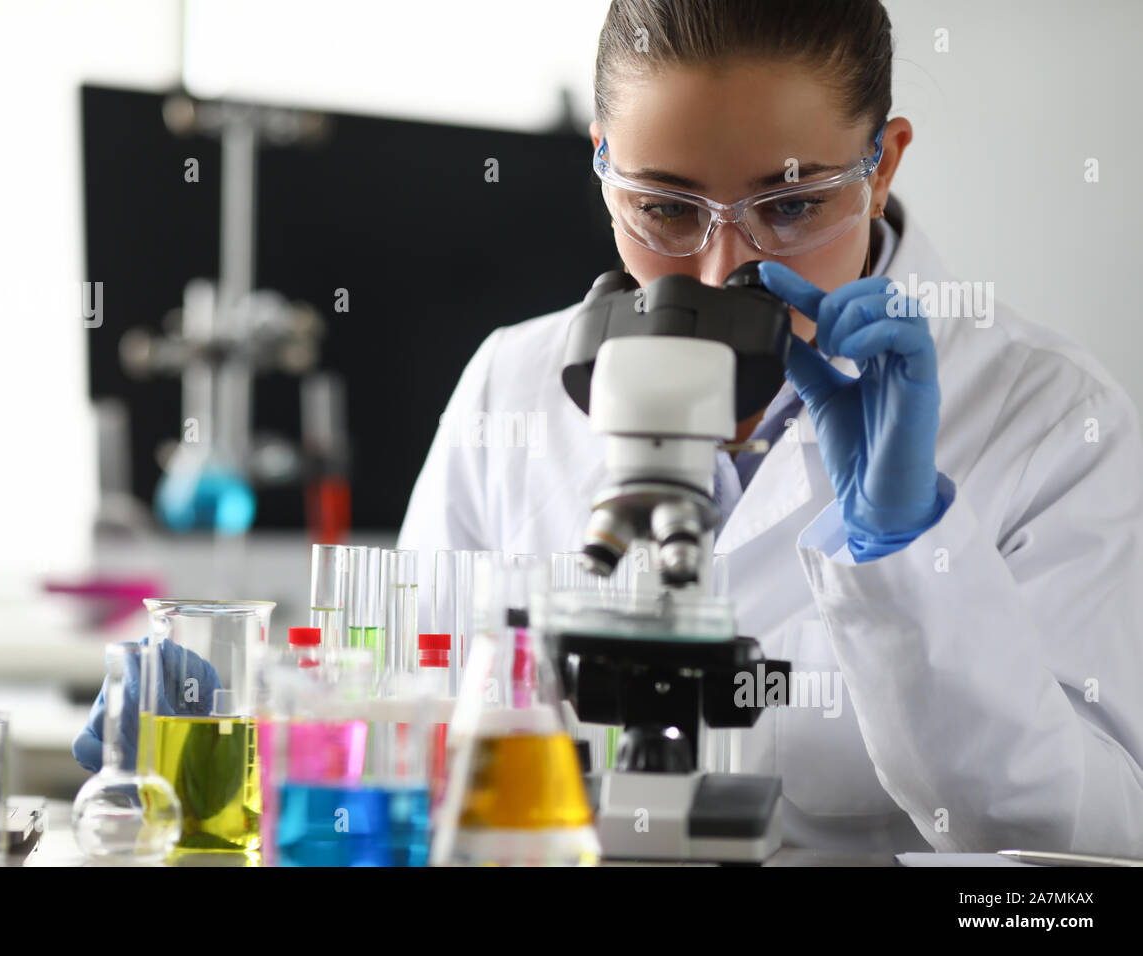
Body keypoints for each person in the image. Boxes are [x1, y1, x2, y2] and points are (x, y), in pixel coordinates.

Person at [397, 0, 1143, 856]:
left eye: (789, 208)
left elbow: (1094, 853)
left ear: (883, 165)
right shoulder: (512, 385)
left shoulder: (1051, 416)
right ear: (603, 161)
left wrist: (909, 559)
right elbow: (412, 751)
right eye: (667, 210)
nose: (719, 272)